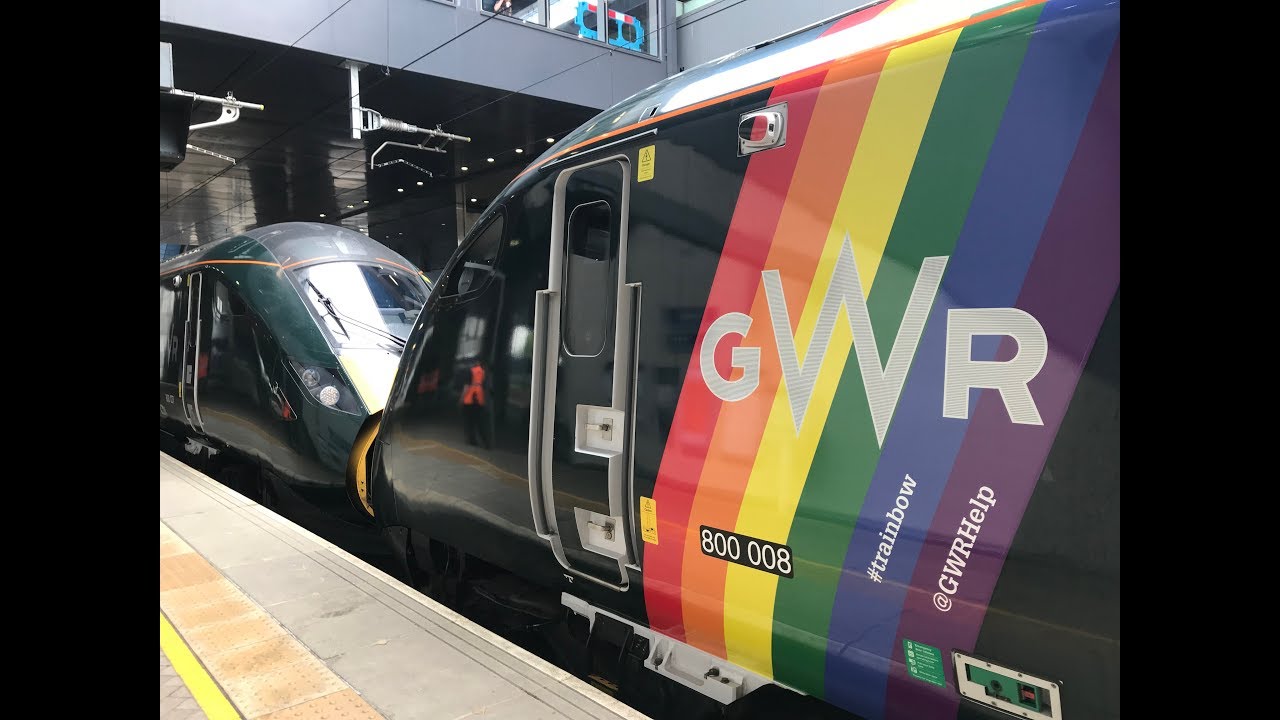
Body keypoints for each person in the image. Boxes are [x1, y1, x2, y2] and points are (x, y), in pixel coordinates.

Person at [460, 359, 492, 449]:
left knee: (468, 422)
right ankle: (486, 443)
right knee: (479, 422)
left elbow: (466, 387)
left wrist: (461, 398)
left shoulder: (470, 371)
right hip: (479, 399)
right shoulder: (483, 372)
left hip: (469, 399)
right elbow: (486, 386)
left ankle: (472, 440)